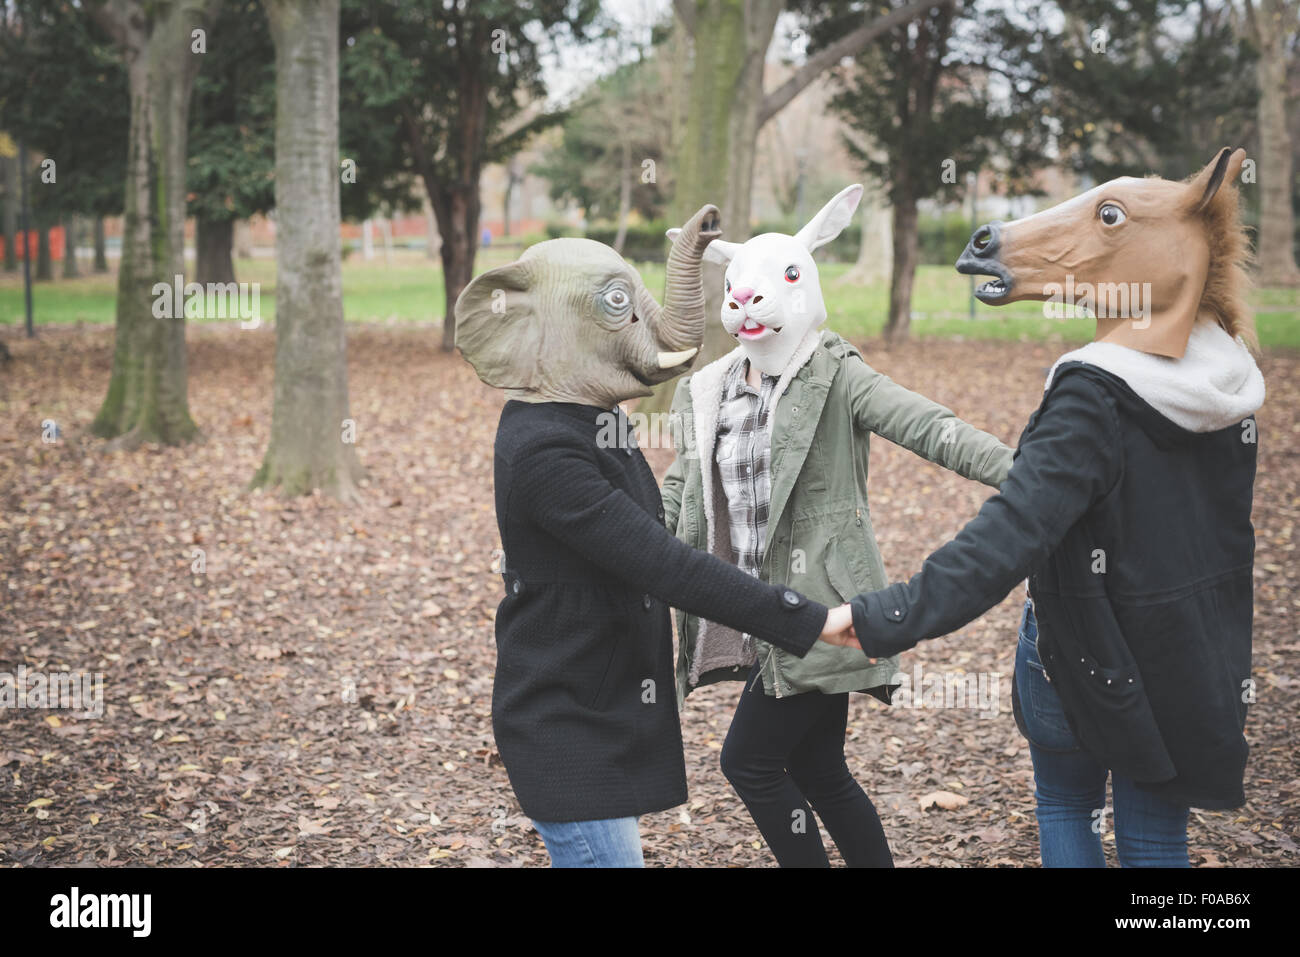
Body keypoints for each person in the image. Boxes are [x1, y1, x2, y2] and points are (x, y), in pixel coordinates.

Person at [826, 149, 1264, 866]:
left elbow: (1011, 532)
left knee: (1068, 805)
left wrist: (887, 616)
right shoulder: (1230, 387)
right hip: (1186, 657)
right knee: (1157, 837)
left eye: (1111, 219)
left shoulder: (1093, 398)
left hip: (1082, 650)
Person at [454, 204, 851, 867]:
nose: (641, 325)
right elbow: (663, 563)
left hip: (595, 711)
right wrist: (807, 620)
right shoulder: (545, 449)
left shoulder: (583, 419)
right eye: (617, 307)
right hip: (568, 726)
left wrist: (707, 457)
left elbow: (646, 522)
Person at [663, 186, 1012, 867]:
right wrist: (621, 548)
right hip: (760, 612)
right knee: (820, 770)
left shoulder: (835, 375)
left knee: (751, 764)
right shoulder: (706, 390)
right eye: (736, 287)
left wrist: (1032, 475)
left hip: (823, 611)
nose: (748, 298)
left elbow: (928, 425)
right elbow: (681, 491)